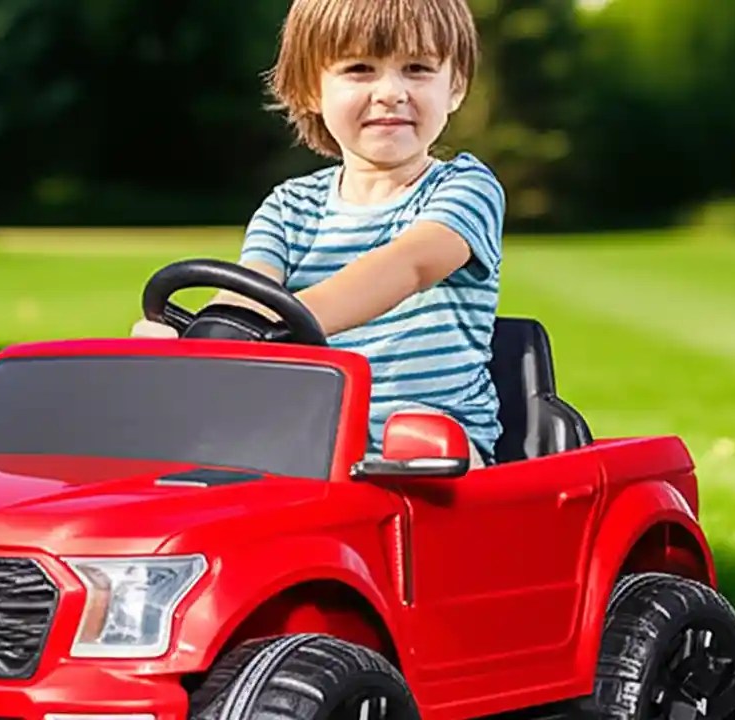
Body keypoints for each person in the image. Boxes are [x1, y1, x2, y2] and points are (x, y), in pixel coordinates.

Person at [133, 0, 505, 468]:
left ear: (455, 87)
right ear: (312, 89)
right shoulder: (289, 208)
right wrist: (189, 343)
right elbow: (249, 297)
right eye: (360, 69)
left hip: (436, 448)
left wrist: (283, 324)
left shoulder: (465, 188)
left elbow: (409, 265)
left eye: (416, 68)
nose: (391, 91)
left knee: (417, 446)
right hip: (313, 443)